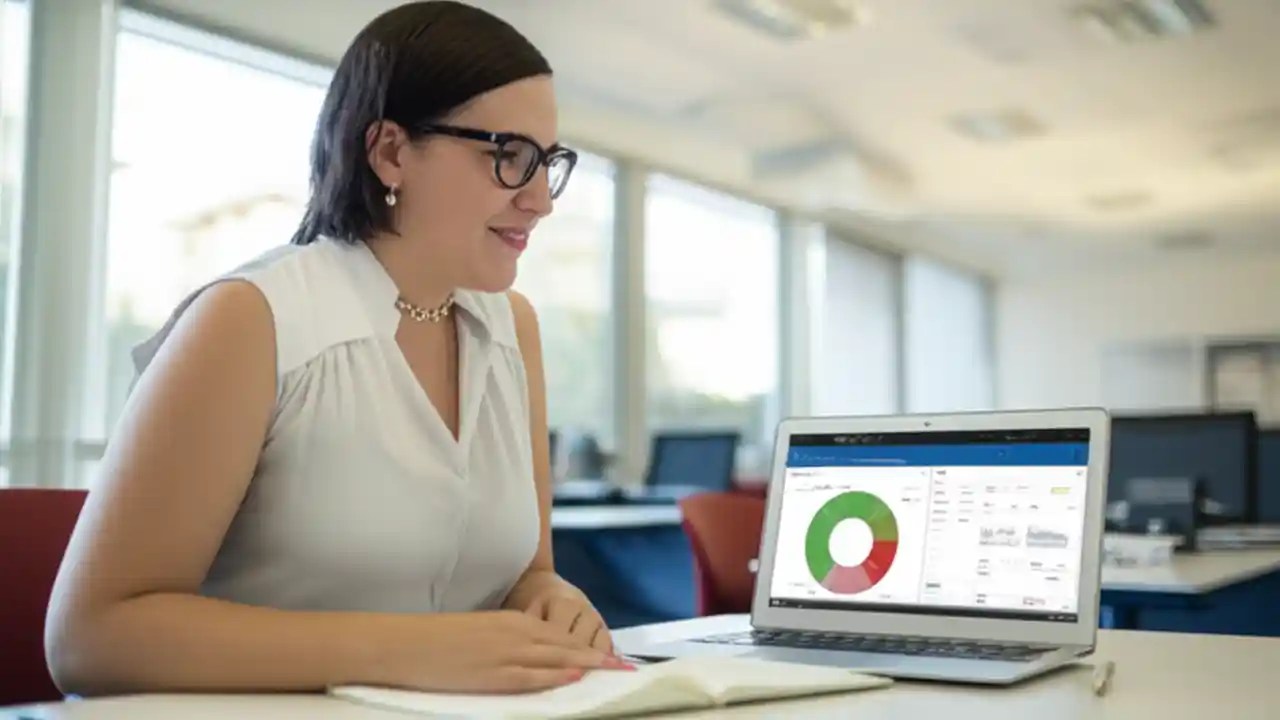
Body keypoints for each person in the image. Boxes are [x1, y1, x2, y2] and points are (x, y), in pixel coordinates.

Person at [45, 0, 629, 697]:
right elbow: (92, 636)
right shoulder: (248, 319)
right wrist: (412, 651)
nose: (540, 200)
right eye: (509, 157)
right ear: (389, 152)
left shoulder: (513, 330)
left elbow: (526, 573)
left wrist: (549, 597)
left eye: (548, 163)